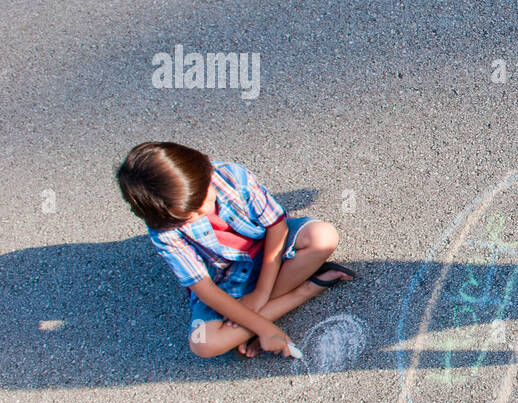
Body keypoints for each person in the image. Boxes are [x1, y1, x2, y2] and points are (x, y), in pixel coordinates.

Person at [116, 142, 355, 357]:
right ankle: (306, 289)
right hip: (229, 280)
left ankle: (249, 324)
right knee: (203, 344)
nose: (206, 209)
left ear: (205, 169)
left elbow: (277, 228)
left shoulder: (230, 176)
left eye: (204, 196)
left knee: (323, 236)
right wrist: (266, 328)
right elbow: (206, 290)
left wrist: (261, 294)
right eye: (194, 215)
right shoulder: (164, 232)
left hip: (271, 249)